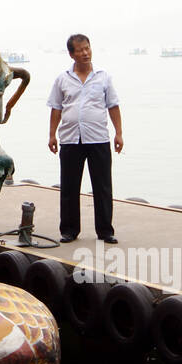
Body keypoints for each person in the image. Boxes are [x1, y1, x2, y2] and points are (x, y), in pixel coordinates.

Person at [47, 34, 123, 244]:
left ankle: (105, 231)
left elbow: (113, 106)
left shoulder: (103, 76)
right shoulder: (63, 79)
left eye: (87, 48)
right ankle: (69, 230)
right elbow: (56, 108)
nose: (85, 53)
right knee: (69, 186)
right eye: (80, 50)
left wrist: (119, 133)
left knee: (103, 186)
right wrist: (52, 134)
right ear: (71, 54)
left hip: (98, 138)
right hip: (70, 139)